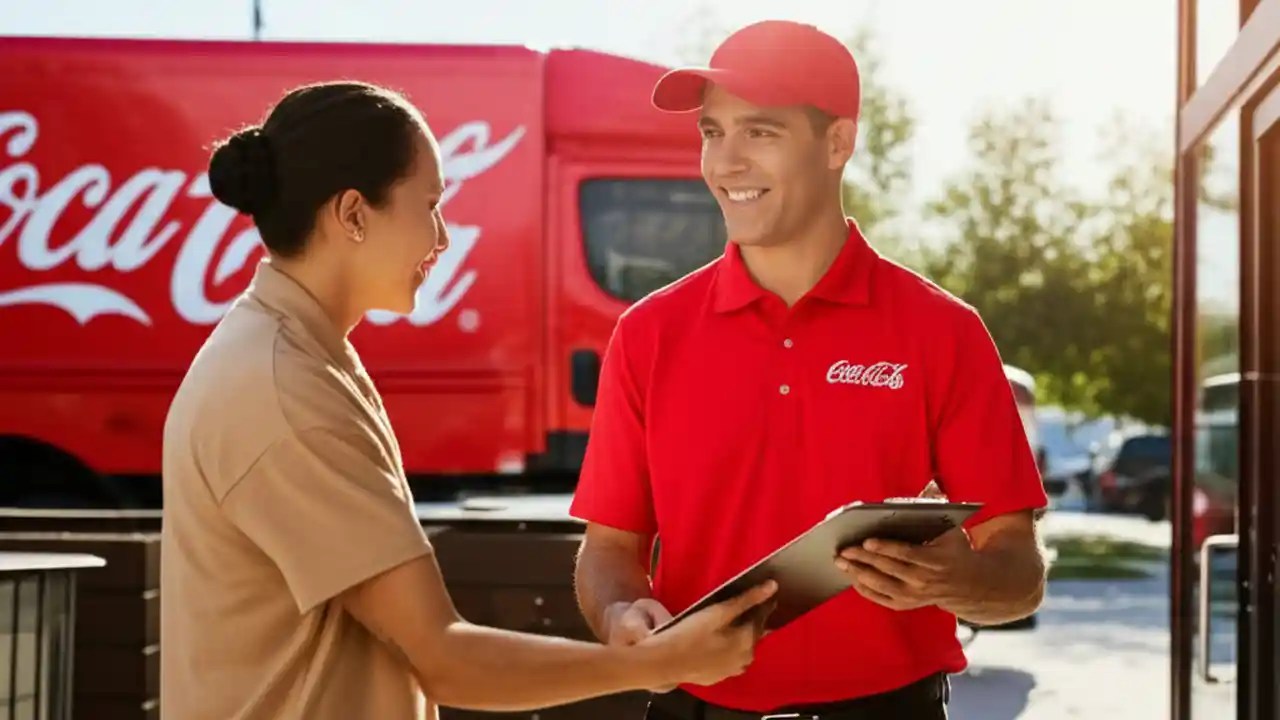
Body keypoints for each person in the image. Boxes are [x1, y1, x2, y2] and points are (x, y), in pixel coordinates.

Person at [158, 80, 778, 720]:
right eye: (430, 204)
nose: (443, 237)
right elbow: (445, 660)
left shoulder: (290, 354)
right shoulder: (284, 390)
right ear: (353, 215)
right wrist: (661, 663)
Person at [570, 20, 1050, 720]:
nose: (725, 162)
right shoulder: (649, 334)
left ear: (838, 143)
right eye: (712, 132)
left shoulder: (943, 331)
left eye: (760, 132)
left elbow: (1019, 572)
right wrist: (620, 614)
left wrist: (960, 579)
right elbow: (609, 550)